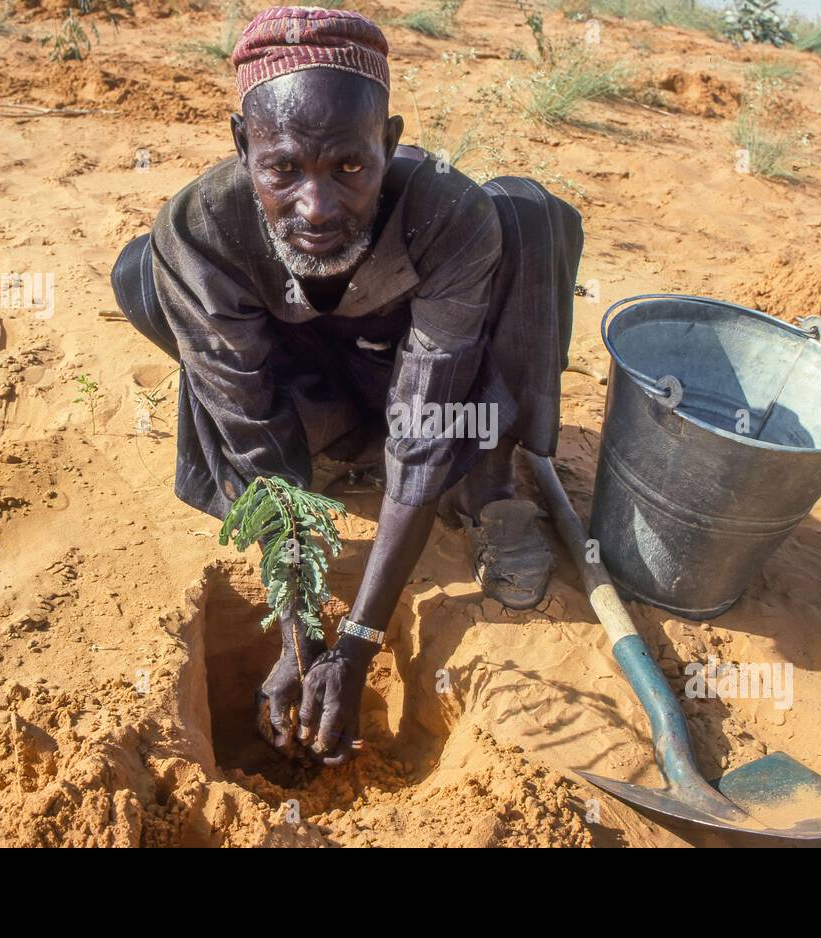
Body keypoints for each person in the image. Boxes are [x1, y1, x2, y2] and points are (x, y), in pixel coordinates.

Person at [110, 6, 583, 765]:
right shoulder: (203, 229)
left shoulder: (447, 213)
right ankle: (332, 458)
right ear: (243, 148)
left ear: (388, 145)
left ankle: (492, 490)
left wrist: (357, 643)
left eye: (351, 169)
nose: (318, 208)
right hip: (312, 387)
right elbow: (256, 441)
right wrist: (301, 633)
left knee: (529, 213)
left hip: (408, 380)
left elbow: (426, 428)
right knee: (139, 271)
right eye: (283, 169)